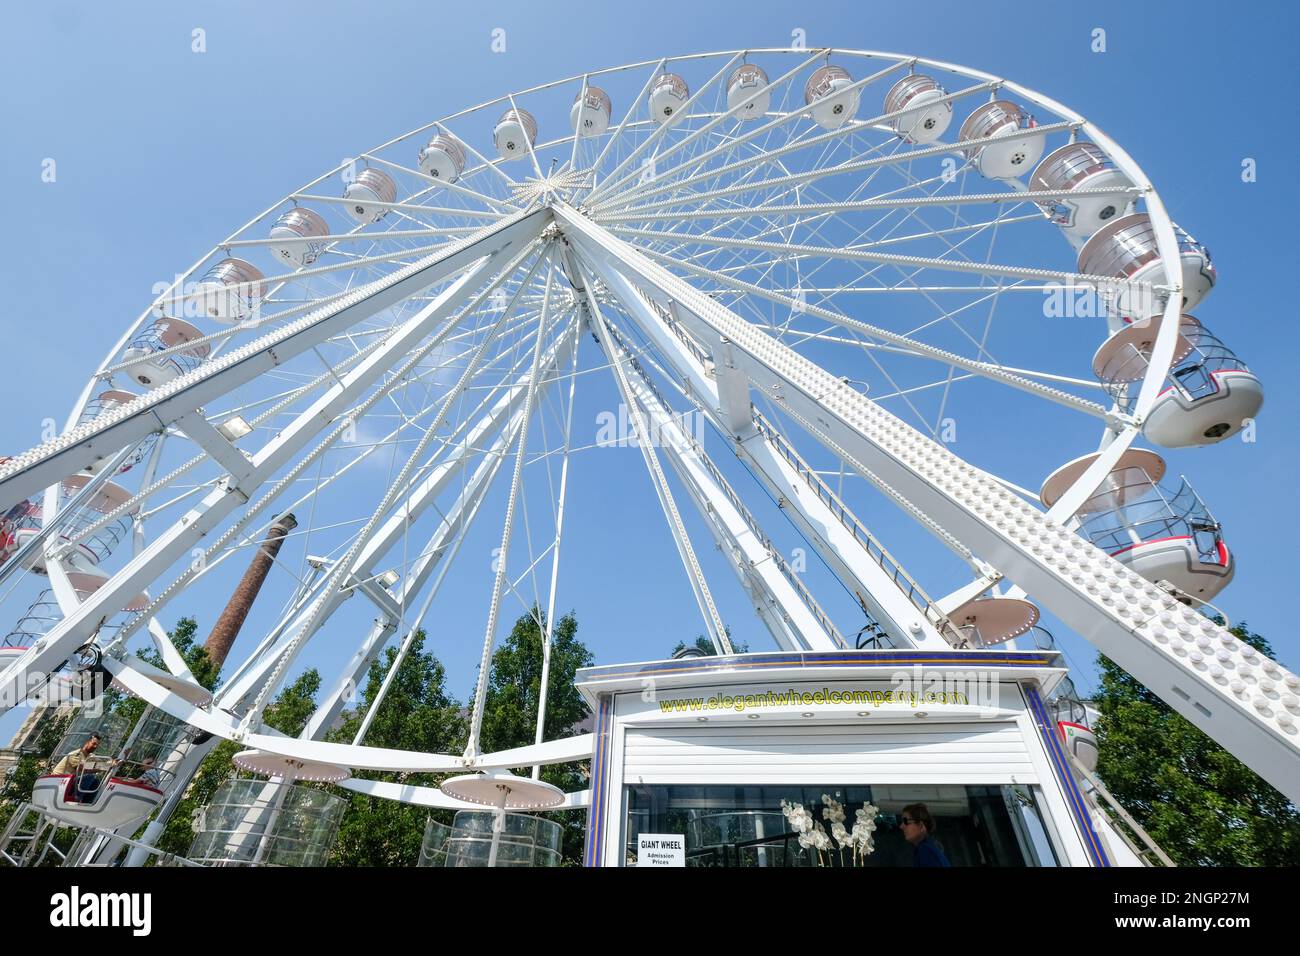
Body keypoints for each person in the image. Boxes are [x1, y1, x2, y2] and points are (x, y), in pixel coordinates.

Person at [51, 734, 107, 803]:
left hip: (69, 781)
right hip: (58, 781)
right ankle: (77, 798)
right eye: (94, 744)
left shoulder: (91, 756)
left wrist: (114, 762)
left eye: (97, 745)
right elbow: (84, 769)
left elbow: (104, 764)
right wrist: (101, 767)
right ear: (87, 742)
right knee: (90, 777)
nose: (95, 747)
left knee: (96, 781)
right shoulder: (76, 754)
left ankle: (86, 803)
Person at [899, 803, 950, 867]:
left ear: (920, 826)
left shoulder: (925, 850)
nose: (901, 826)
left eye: (905, 821)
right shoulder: (931, 848)